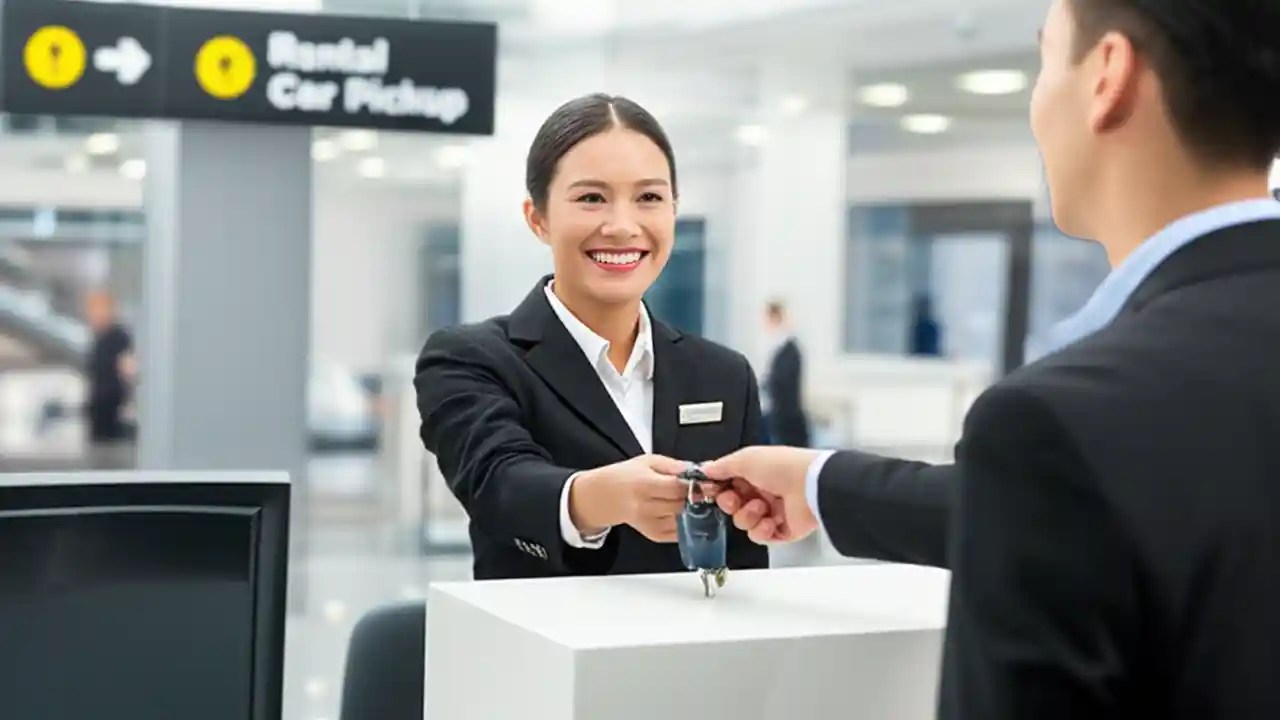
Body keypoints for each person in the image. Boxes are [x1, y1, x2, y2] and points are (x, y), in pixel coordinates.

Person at [703, 0, 1280, 717]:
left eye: (1044, 61)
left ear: (1108, 74)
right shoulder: (1118, 425)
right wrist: (823, 483)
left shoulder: (1065, 415)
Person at [415, 94, 768, 580]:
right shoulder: (469, 359)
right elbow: (499, 485)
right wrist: (607, 498)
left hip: (696, 649)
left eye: (649, 198)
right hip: (544, 647)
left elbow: (747, 565)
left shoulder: (723, 375)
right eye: (591, 198)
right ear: (538, 218)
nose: (623, 227)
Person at [83, 290, 136, 444]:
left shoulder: (118, 337)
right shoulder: (99, 338)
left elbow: (127, 367)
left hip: (111, 401)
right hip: (99, 402)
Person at [759, 301, 809, 446]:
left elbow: (782, 384)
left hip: (785, 418)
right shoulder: (777, 347)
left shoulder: (788, 349)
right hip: (777, 416)